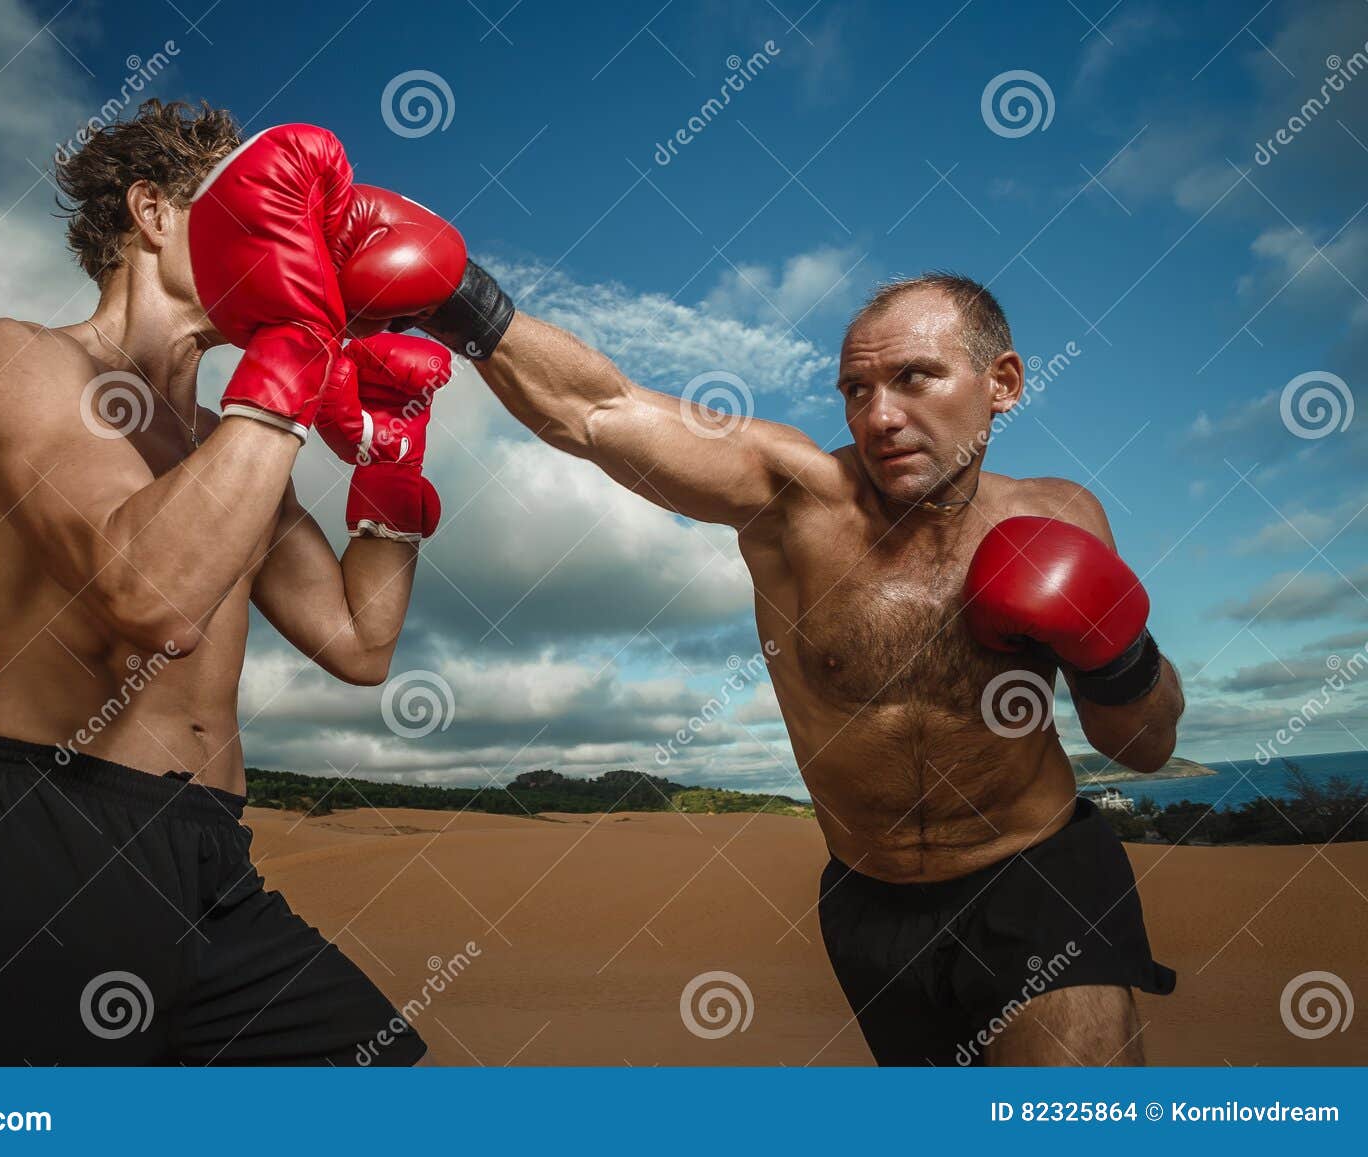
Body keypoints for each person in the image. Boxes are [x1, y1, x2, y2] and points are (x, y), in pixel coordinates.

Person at [347, 242, 1185, 1065]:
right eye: (856, 389)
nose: (879, 415)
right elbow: (599, 411)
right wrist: (461, 299)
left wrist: (1120, 650)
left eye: (914, 377)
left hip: (1040, 873)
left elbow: (1143, 744)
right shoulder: (798, 501)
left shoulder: (1059, 515)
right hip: (871, 901)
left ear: (1002, 382)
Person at [0, 101, 448, 1066]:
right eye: (256, 210)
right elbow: (149, 597)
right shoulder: (14, 359)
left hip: (207, 856)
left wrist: (391, 466)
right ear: (152, 211)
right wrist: (296, 353)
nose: (291, 243)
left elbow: (359, 643)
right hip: (38, 835)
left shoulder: (235, 448)